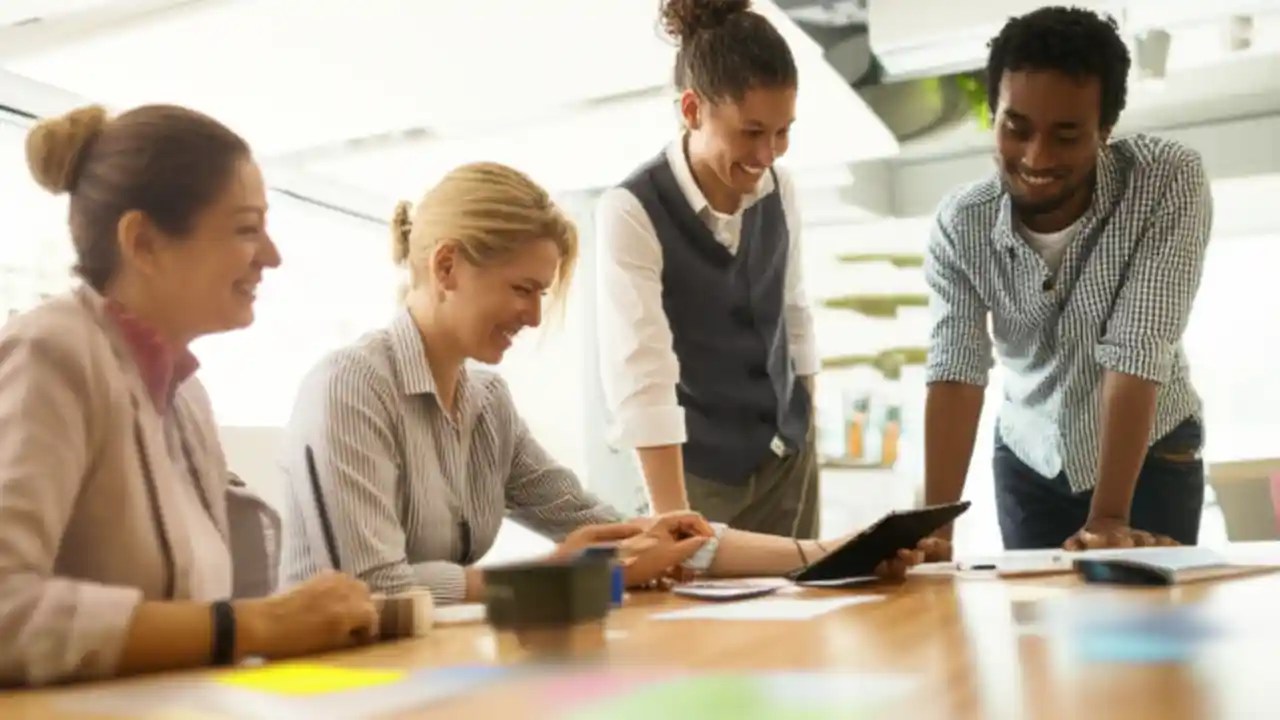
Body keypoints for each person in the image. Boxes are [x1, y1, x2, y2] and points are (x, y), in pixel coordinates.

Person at [279, 162, 944, 605]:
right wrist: (559, 579)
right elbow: (371, 588)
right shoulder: (351, 387)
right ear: (446, 266)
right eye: (523, 289)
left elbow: (620, 534)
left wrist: (825, 553)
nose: (535, 316)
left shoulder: (486, 405)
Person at [0, 104, 379, 687]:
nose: (271, 256)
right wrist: (251, 626)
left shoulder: (188, 398)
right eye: (247, 228)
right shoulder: (51, 352)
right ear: (144, 242)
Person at [922, 7, 1212, 553]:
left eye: (1066, 135)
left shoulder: (1166, 182)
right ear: (995, 113)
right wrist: (933, 533)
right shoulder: (962, 222)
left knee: (1145, 631)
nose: (1036, 157)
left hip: (1148, 455)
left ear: (1105, 130)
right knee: (1038, 629)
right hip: (1030, 460)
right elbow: (956, 369)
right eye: (1017, 128)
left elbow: (1137, 347)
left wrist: (1107, 519)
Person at [594, 0, 819, 538]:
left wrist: (807, 419)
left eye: (783, 131)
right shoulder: (632, 210)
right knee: (700, 619)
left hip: (786, 458)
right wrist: (672, 517)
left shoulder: (781, 189)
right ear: (692, 110)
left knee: (806, 607)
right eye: (751, 131)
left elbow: (794, 311)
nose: (768, 153)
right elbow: (642, 376)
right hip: (697, 473)